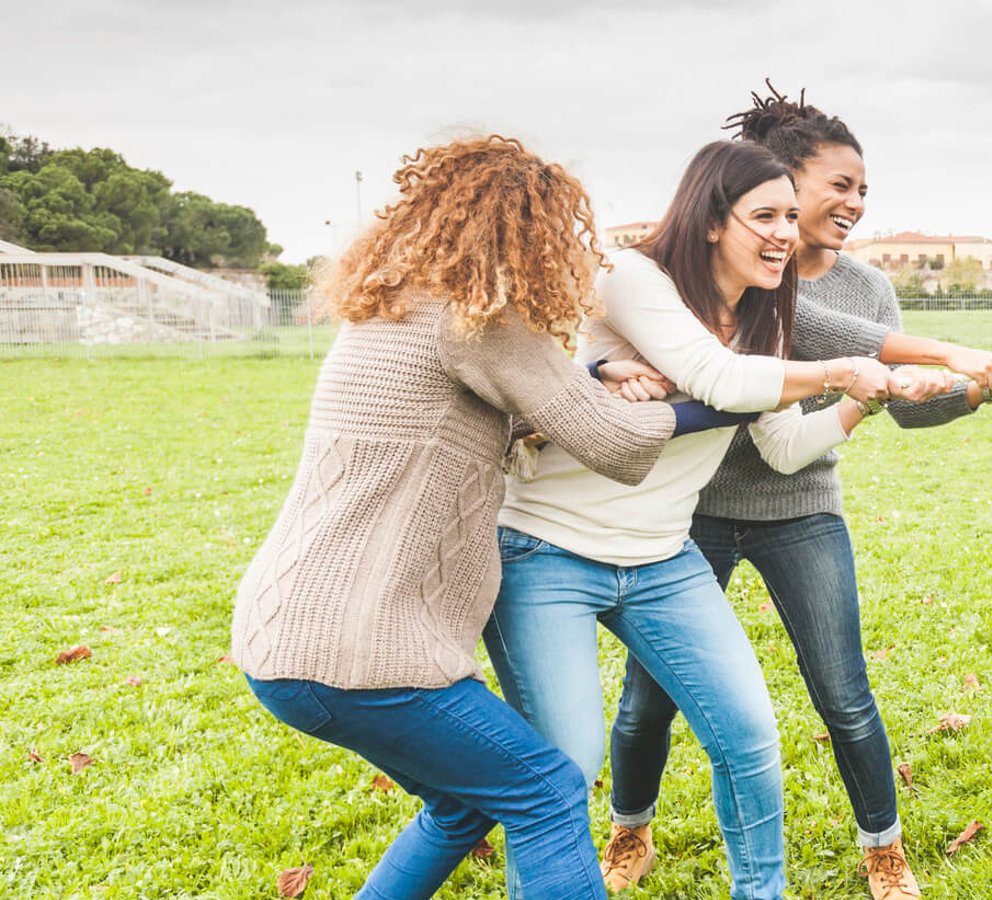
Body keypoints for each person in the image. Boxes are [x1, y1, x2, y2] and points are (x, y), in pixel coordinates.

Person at [599, 87, 992, 899]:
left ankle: (884, 850)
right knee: (649, 699)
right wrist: (946, 357)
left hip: (801, 507)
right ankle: (627, 831)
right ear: (774, 186)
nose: (855, 203)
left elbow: (891, 399)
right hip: (696, 513)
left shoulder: (861, 288)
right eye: (840, 186)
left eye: (864, 189)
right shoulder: (722, 271)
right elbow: (843, 351)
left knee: (844, 694)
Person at [231, 135, 694, 900]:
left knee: (462, 804)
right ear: (522, 236)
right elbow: (613, 442)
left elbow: (483, 411)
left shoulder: (390, 308)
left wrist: (592, 373)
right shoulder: (478, 322)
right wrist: (720, 400)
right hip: (362, 655)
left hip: (284, 639)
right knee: (546, 789)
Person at [483, 140, 921, 900]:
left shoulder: (764, 316)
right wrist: (839, 368)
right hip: (547, 550)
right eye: (765, 216)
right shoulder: (632, 277)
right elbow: (713, 376)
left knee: (748, 739)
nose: (786, 232)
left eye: (792, 215)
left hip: (660, 557)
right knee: (566, 765)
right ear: (713, 219)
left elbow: (781, 447)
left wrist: (858, 404)